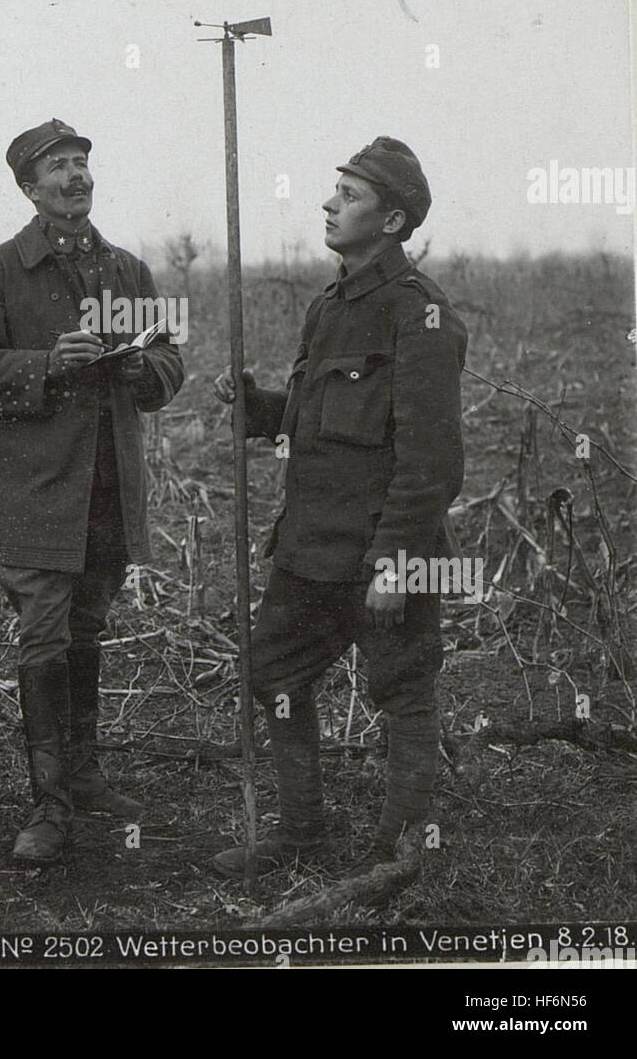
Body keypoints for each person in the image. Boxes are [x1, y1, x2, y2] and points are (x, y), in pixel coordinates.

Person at [212, 137, 467, 876]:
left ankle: (401, 850)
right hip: (311, 551)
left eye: (350, 196)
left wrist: (394, 564)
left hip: (384, 554)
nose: (329, 203)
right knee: (275, 675)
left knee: (403, 692)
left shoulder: (420, 316)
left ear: (391, 222)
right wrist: (258, 406)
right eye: (336, 190)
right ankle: (300, 831)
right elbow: (316, 417)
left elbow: (432, 461)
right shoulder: (330, 306)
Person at [0, 118, 184, 865]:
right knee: (43, 636)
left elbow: (169, 362)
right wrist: (46, 365)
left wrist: (146, 371)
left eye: (82, 163)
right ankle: (49, 808)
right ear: (28, 187)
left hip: (108, 489)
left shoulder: (128, 272)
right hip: (34, 493)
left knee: (87, 629)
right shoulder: (0, 273)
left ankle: (83, 774)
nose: (76, 176)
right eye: (58, 167)